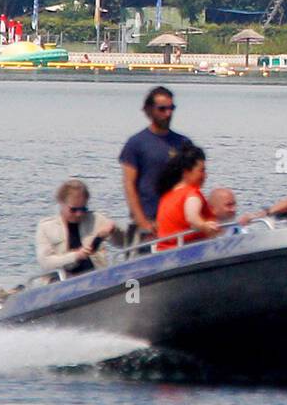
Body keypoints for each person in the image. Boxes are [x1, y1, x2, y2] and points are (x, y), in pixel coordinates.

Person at [119, 86, 190, 241]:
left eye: (171, 108)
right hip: (148, 222)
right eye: (162, 109)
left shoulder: (183, 143)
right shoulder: (136, 143)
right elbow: (129, 185)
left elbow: (192, 182)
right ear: (149, 110)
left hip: (178, 222)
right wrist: (142, 222)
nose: (168, 113)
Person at [35, 179, 123, 275]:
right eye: (73, 210)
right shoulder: (46, 227)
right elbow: (46, 263)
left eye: (83, 209)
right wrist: (76, 256)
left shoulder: (96, 219)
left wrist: (114, 230)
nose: (79, 214)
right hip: (61, 282)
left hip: (96, 277)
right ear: (61, 203)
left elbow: (124, 243)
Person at [155, 143, 220, 250]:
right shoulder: (192, 194)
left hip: (163, 254)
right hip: (189, 254)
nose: (205, 175)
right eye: (202, 170)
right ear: (186, 172)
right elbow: (192, 217)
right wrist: (204, 226)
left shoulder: (166, 197)